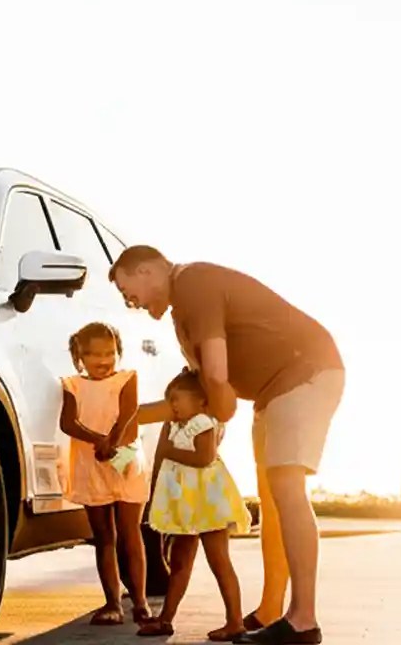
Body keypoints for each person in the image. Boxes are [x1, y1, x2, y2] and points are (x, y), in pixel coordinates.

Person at [111, 246, 345, 645]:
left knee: (287, 487)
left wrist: (215, 411)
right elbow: (192, 398)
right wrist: (125, 425)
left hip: (304, 371)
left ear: (147, 269)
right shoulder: (181, 313)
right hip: (274, 390)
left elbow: (217, 379)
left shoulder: (193, 285)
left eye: (127, 289)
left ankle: (303, 620)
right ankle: (274, 609)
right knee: (273, 497)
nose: (129, 301)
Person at [137, 370, 251, 641]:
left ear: (200, 400)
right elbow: (161, 460)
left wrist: (168, 453)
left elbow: (204, 457)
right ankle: (166, 619)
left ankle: (235, 621)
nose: (172, 405)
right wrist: (153, 495)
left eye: (177, 399)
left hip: (209, 501)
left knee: (219, 560)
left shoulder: (203, 422)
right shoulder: (172, 424)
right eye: (169, 400)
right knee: (180, 561)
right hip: (185, 504)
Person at [58, 322, 153, 627]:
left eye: (110, 353)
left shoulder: (127, 378)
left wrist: (110, 441)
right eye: (93, 354)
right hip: (90, 463)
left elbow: (128, 414)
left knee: (130, 533)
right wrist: (97, 440)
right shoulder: (72, 385)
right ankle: (112, 603)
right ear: (79, 356)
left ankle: (140, 601)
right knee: (104, 537)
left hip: (124, 458)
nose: (103, 360)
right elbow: (68, 423)